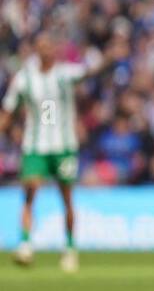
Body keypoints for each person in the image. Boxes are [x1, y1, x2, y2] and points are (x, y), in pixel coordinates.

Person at [3, 32, 124, 271]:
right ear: (36, 50)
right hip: (35, 146)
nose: (46, 50)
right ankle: (25, 244)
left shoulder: (64, 74)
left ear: (54, 50)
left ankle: (69, 248)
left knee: (66, 198)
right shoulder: (24, 79)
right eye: (41, 45)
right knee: (30, 190)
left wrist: (109, 57)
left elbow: (90, 71)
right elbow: (8, 110)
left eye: (49, 45)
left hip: (64, 147)